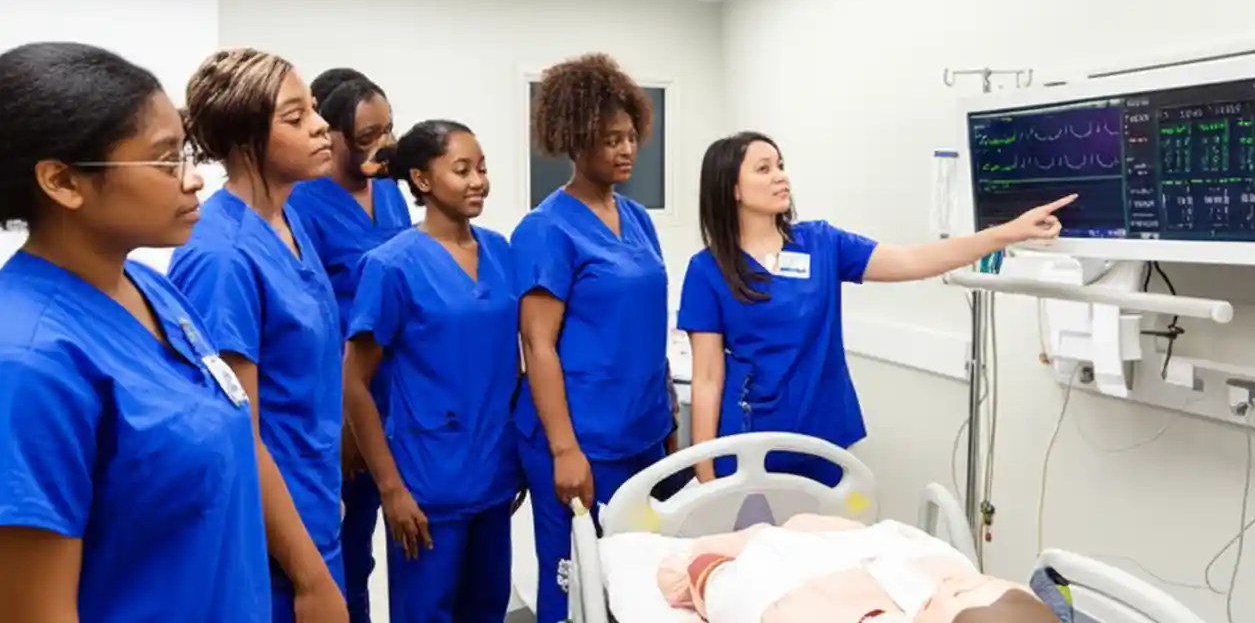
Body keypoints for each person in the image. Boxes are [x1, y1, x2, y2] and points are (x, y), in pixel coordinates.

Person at [0, 42, 269, 621]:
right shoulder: (27, 361)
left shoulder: (151, 289)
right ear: (63, 182)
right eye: (165, 159)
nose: (193, 179)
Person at [679, 132, 1075, 484]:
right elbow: (709, 376)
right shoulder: (707, 270)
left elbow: (914, 260)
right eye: (763, 169)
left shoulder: (822, 244)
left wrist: (1009, 231)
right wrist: (704, 469)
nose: (781, 176)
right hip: (748, 439)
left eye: (780, 165)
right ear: (732, 188)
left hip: (822, 435)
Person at [168, 48, 348, 623]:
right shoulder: (221, 256)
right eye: (295, 118)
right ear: (245, 138)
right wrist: (308, 574)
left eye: (314, 110)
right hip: (269, 541)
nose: (322, 126)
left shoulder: (289, 220)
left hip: (313, 505)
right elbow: (235, 433)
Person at [511, 52, 672, 622]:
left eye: (631, 136)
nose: (626, 149)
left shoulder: (637, 218)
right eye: (610, 139)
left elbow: (645, 327)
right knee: (576, 584)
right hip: (580, 439)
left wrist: (668, 420)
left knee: (640, 580)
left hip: (642, 431)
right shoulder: (546, 228)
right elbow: (538, 345)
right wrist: (564, 450)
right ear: (575, 142)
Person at [344, 120, 519, 623]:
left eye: (482, 168)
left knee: (488, 610)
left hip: (492, 474)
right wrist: (391, 491)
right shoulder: (392, 265)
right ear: (421, 180)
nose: (478, 181)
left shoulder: (501, 251)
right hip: (426, 487)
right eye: (461, 169)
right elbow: (353, 382)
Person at [290, 71, 410, 623]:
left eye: (387, 130)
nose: (380, 145)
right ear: (331, 133)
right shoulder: (303, 204)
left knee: (416, 543)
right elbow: (311, 315)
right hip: (343, 398)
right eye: (366, 134)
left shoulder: (390, 193)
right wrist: (344, 421)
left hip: (406, 397)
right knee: (350, 553)